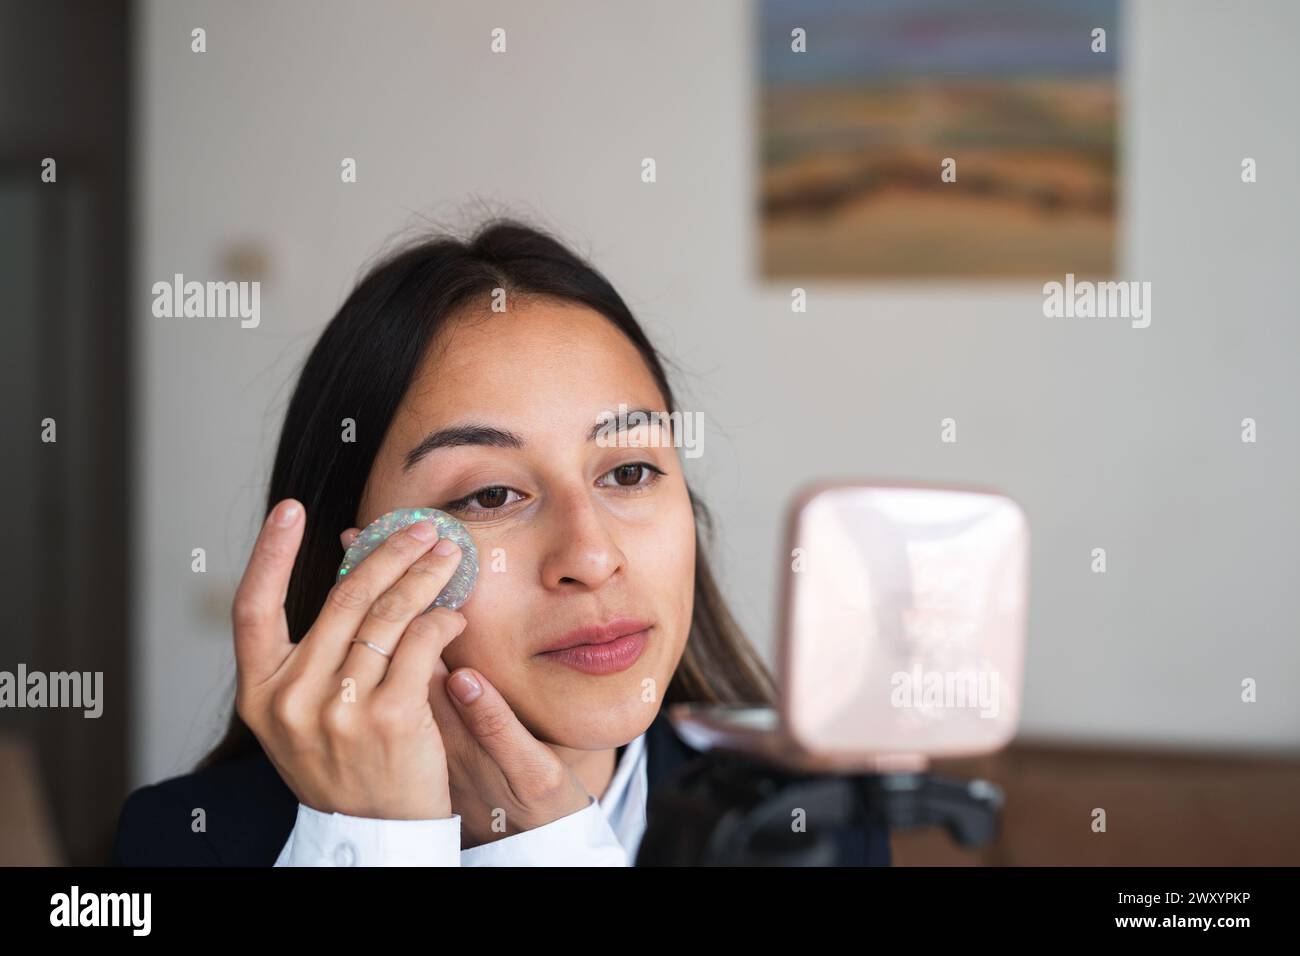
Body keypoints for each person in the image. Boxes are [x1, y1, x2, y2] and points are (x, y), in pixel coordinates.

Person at [110, 216, 891, 866]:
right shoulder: (181, 842)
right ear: (357, 559)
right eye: (491, 495)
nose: (590, 557)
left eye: (627, 473)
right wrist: (380, 847)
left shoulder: (815, 822)